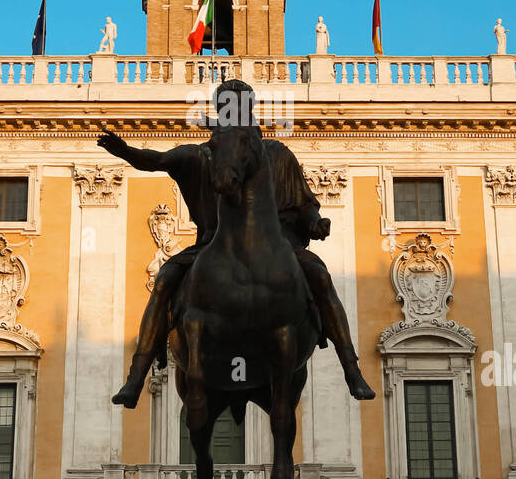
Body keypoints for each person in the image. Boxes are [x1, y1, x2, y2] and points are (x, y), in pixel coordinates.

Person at [99, 79, 375, 408]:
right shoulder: (201, 154)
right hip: (210, 247)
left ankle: (351, 369)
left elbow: (304, 201)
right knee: (164, 281)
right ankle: (136, 376)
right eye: (227, 106)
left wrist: (315, 222)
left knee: (320, 276)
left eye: (240, 106)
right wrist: (125, 152)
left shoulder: (276, 153)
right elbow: (156, 160)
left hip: (277, 247)